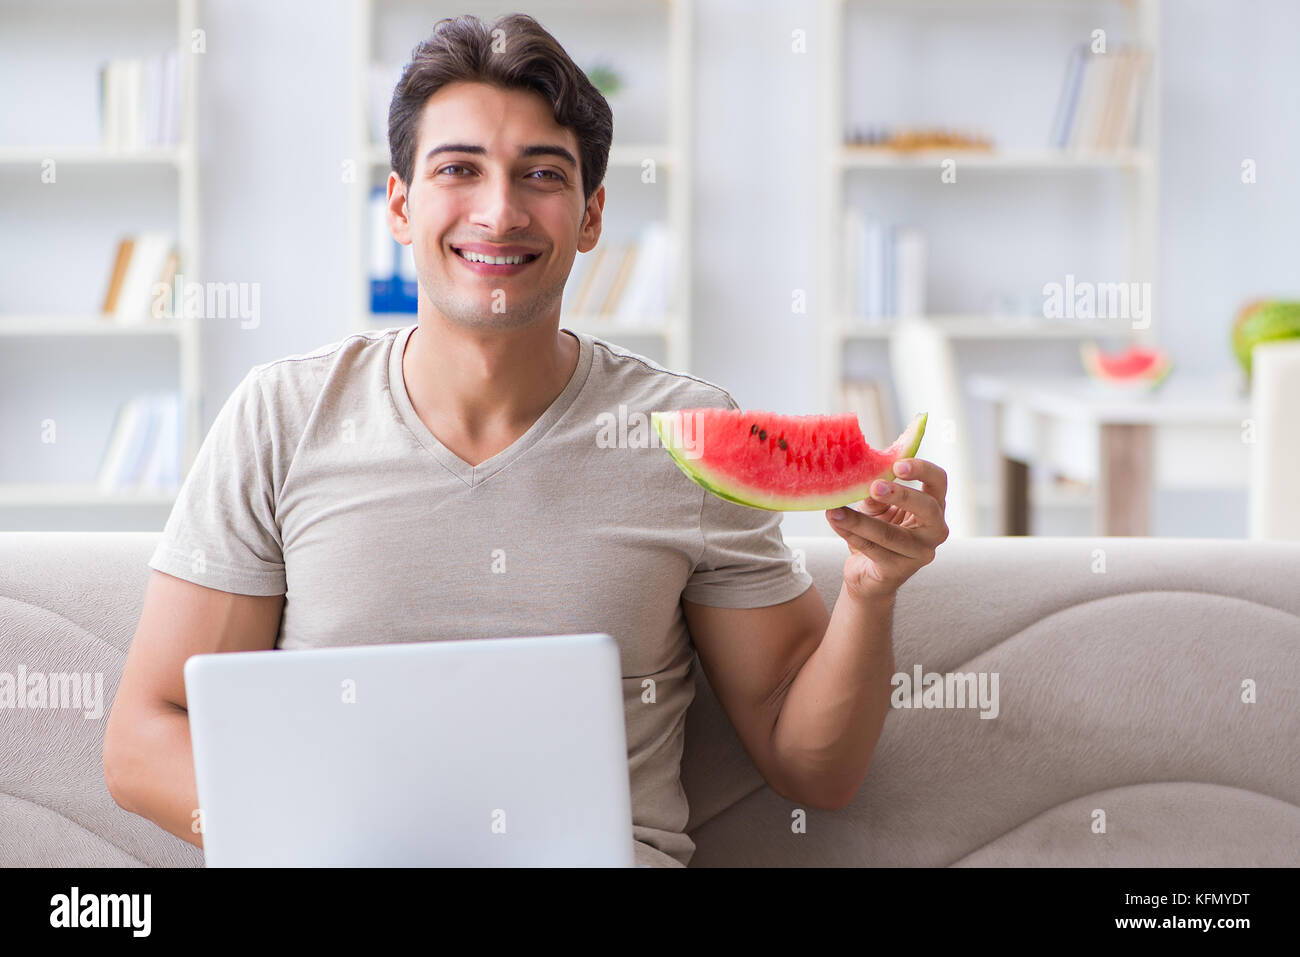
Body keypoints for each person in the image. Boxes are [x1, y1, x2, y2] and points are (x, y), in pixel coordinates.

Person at [103, 12, 950, 868]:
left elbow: (812, 767)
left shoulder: (683, 440)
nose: (499, 211)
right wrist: (329, 848)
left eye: (542, 174)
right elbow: (144, 738)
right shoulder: (281, 418)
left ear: (590, 216)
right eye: (458, 170)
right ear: (399, 207)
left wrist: (872, 592)